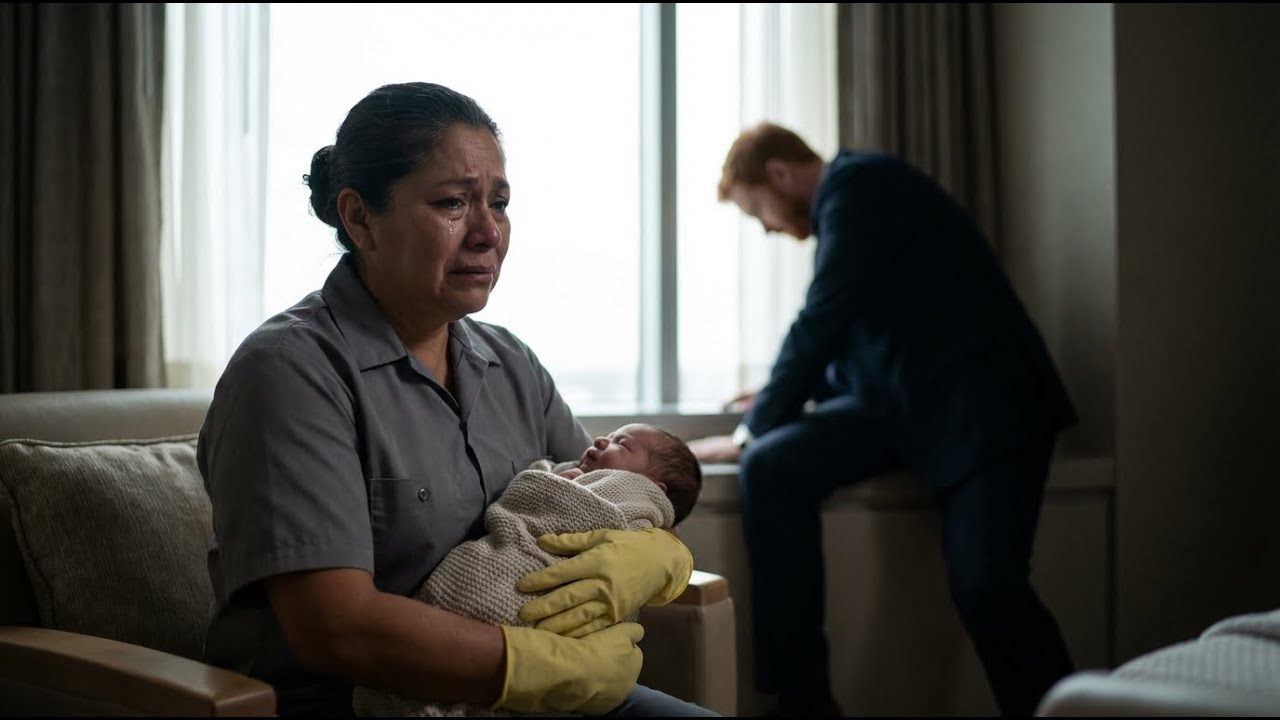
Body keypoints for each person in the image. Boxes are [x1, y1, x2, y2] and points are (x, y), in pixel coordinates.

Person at [197, 81, 716, 718]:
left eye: (499, 203)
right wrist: (535, 668)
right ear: (360, 217)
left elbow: (608, 497)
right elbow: (338, 630)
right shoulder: (289, 373)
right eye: (452, 203)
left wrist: (659, 555)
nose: (488, 233)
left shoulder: (511, 363)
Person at [688, 121, 1078, 717]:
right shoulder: (849, 215)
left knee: (987, 586)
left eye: (757, 211)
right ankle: (803, 699)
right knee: (772, 467)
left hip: (986, 411)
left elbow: (825, 315)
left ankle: (1065, 712)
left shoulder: (863, 188)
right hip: (904, 408)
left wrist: (751, 428)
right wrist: (769, 403)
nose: (767, 229)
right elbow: (857, 349)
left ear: (779, 174)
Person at [353, 423, 704, 717]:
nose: (600, 441)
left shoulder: (521, 369)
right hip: (419, 651)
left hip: (578, 665)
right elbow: (337, 625)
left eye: (620, 443)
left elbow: (655, 508)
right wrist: (542, 667)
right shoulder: (318, 365)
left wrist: (670, 552)